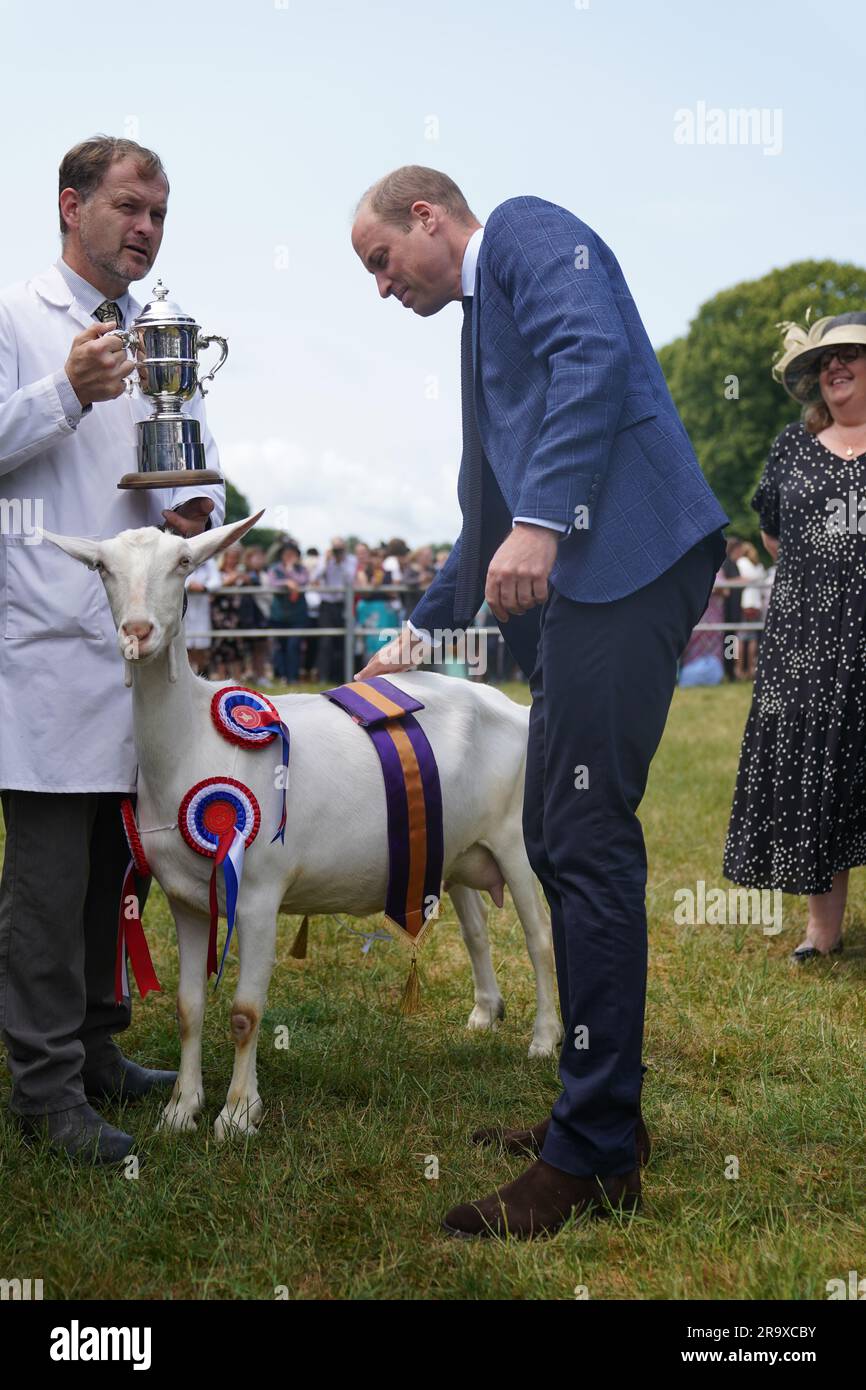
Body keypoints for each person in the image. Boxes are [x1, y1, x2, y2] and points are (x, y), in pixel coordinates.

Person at [351, 166, 728, 1236]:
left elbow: (593, 358)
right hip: (586, 575)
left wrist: (546, 520)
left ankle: (597, 1150)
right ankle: (599, 1111)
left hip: (624, 561)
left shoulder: (522, 231)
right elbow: (485, 513)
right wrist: (419, 628)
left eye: (380, 259)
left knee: (582, 835)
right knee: (565, 837)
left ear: (426, 217)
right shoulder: (478, 327)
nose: (381, 287)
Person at [0, 136, 224, 1164]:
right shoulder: (16, 318)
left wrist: (193, 513)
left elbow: (188, 472)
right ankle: (43, 1089)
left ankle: (97, 1049)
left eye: (160, 214)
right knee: (46, 882)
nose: (146, 228)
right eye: (130, 207)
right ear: (69, 205)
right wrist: (64, 393)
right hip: (45, 646)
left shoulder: (158, 330)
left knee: (111, 868)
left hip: (136, 661)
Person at [724, 310, 866, 962]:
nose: (833, 367)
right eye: (823, 361)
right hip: (806, 638)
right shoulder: (791, 447)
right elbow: (774, 534)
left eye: (850, 356)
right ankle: (822, 931)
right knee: (820, 773)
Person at [313, 537, 357, 684]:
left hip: (342, 604)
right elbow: (315, 577)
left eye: (340, 548)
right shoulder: (324, 560)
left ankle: (340, 677)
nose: (338, 552)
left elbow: (350, 579)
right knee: (326, 641)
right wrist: (326, 562)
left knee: (342, 642)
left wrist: (341, 562)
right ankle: (323, 677)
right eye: (336, 548)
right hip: (326, 604)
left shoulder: (350, 560)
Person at [267, 542, 309, 684]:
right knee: (280, 647)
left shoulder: (302, 569)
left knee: (294, 646)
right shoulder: (274, 569)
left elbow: (303, 581)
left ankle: (293, 677)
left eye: (293, 554)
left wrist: (290, 571)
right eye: (287, 554)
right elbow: (272, 583)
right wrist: (287, 582)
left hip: (298, 616)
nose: (290, 557)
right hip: (279, 616)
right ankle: (282, 676)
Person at [733, 541, 766, 680]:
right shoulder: (759, 566)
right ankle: (752, 668)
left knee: (738, 638)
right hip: (757, 604)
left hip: (745, 602)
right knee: (752, 638)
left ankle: (738, 669)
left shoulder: (741, 562)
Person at [185, 554, 222, 675]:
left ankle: (201, 675)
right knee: (186, 646)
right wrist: (188, 584)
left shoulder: (209, 560)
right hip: (183, 606)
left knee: (202, 645)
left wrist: (204, 587)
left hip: (202, 607)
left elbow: (216, 581)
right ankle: (187, 676)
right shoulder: (181, 555)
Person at [721, 535, 744, 681]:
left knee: (732, 639)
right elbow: (725, 582)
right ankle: (729, 672)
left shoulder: (733, 564)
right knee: (730, 639)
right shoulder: (727, 563)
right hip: (729, 611)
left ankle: (731, 671)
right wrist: (743, 580)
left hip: (734, 609)